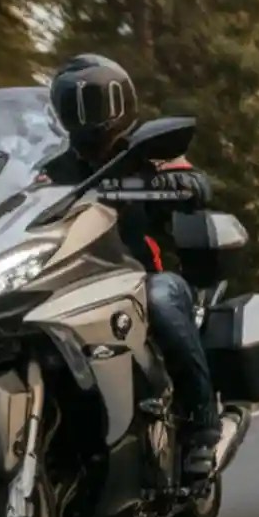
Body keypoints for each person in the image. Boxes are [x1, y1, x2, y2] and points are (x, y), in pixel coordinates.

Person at [40, 54, 220, 478]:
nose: (83, 114)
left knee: (162, 302)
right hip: (71, 284)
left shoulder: (144, 153)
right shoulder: (51, 168)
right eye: (72, 105)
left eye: (90, 102)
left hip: (142, 278)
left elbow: (197, 183)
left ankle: (202, 423)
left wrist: (176, 183)